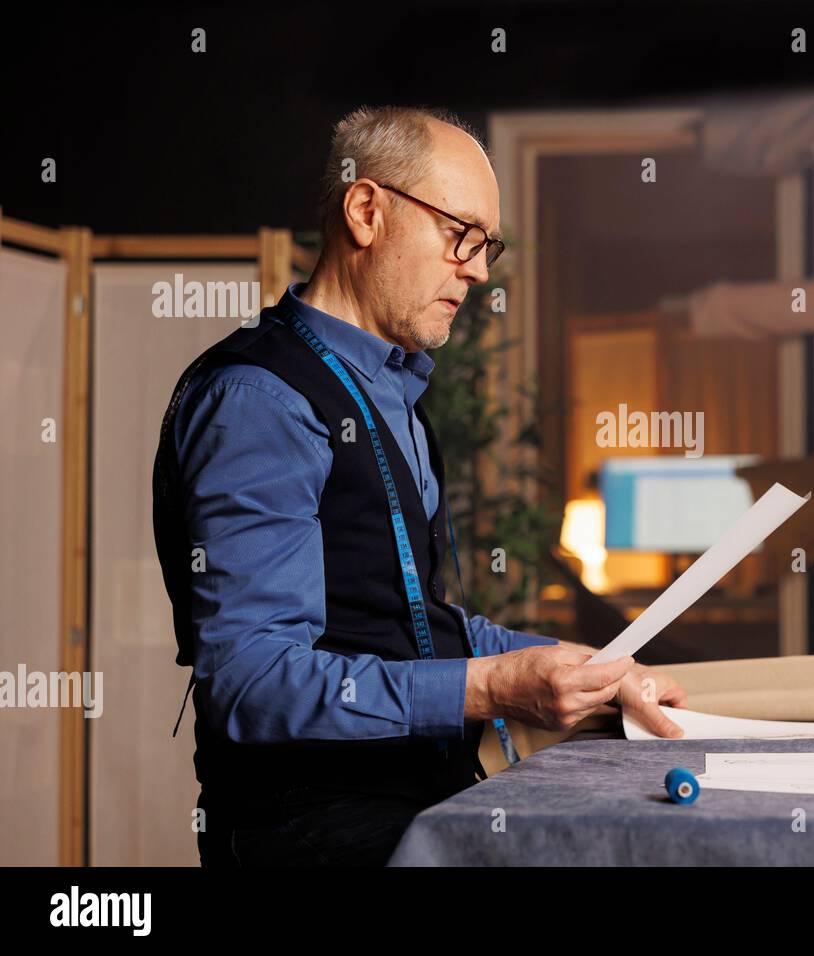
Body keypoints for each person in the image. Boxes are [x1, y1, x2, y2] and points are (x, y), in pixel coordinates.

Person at [152, 105, 686, 867]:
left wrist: (597, 668)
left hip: (416, 811)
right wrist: (496, 687)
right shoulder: (262, 400)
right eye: (460, 234)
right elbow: (251, 681)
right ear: (367, 210)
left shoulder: (388, 391)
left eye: (487, 246)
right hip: (314, 838)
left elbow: (412, 626)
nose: (477, 269)